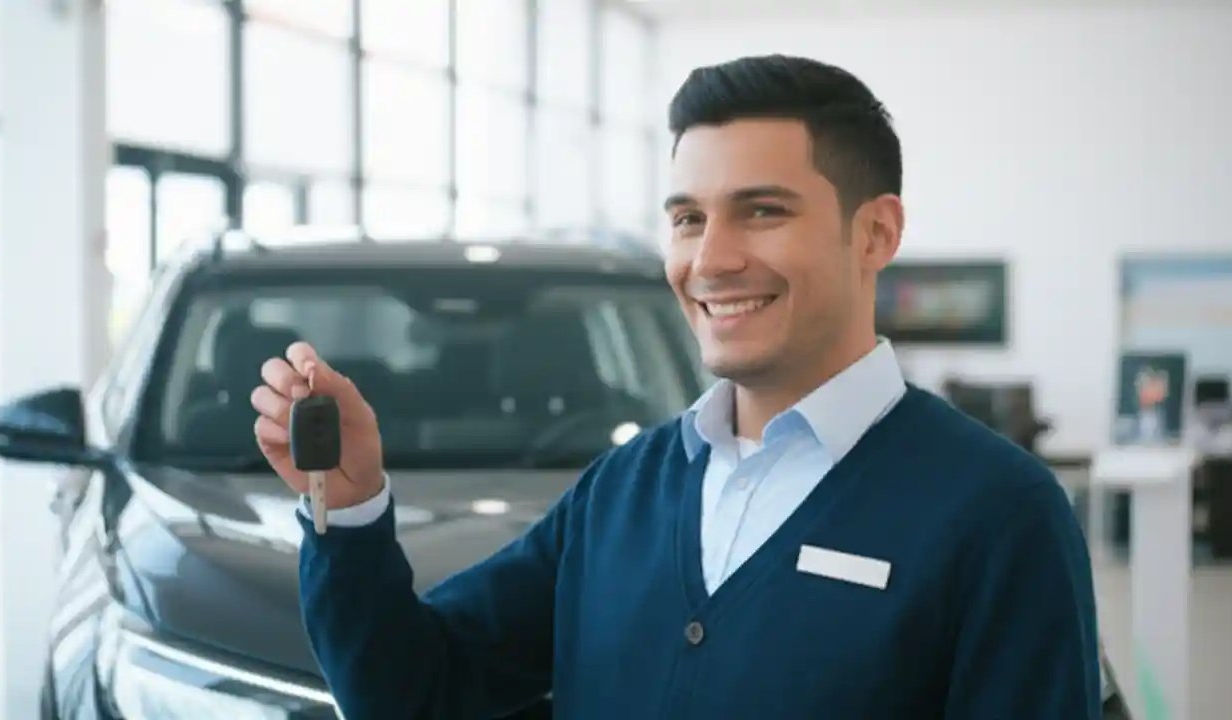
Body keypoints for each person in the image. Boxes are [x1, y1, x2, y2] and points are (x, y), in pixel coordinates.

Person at [251, 54, 1101, 719]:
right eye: (689, 217)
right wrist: (351, 508)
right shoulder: (625, 491)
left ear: (875, 231)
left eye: (762, 210)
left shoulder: (996, 512)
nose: (712, 258)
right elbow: (412, 692)